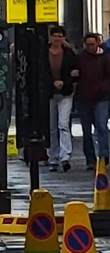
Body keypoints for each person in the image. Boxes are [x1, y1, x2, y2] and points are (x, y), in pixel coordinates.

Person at [46, 24, 80, 169]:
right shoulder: (43, 53)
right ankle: (53, 157)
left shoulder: (68, 53)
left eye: (60, 36)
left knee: (63, 124)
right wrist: (53, 83)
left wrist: (65, 82)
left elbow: (76, 70)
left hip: (66, 93)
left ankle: (65, 156)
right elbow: (41, 73)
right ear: (51, 37)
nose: (58, 39)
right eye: (55, 36)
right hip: (49, 93)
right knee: (51, 127)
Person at [75, 32, 110, 166]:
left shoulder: (105, 58)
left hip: (101, 98)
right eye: (88, 44)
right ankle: (90, 159)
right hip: (84, 97)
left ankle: (103, 155)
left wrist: (103, 88)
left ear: (98, 43)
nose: (90, 47)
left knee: (101, 125)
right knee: (86, 129)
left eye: (92, 44)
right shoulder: (80, 58)